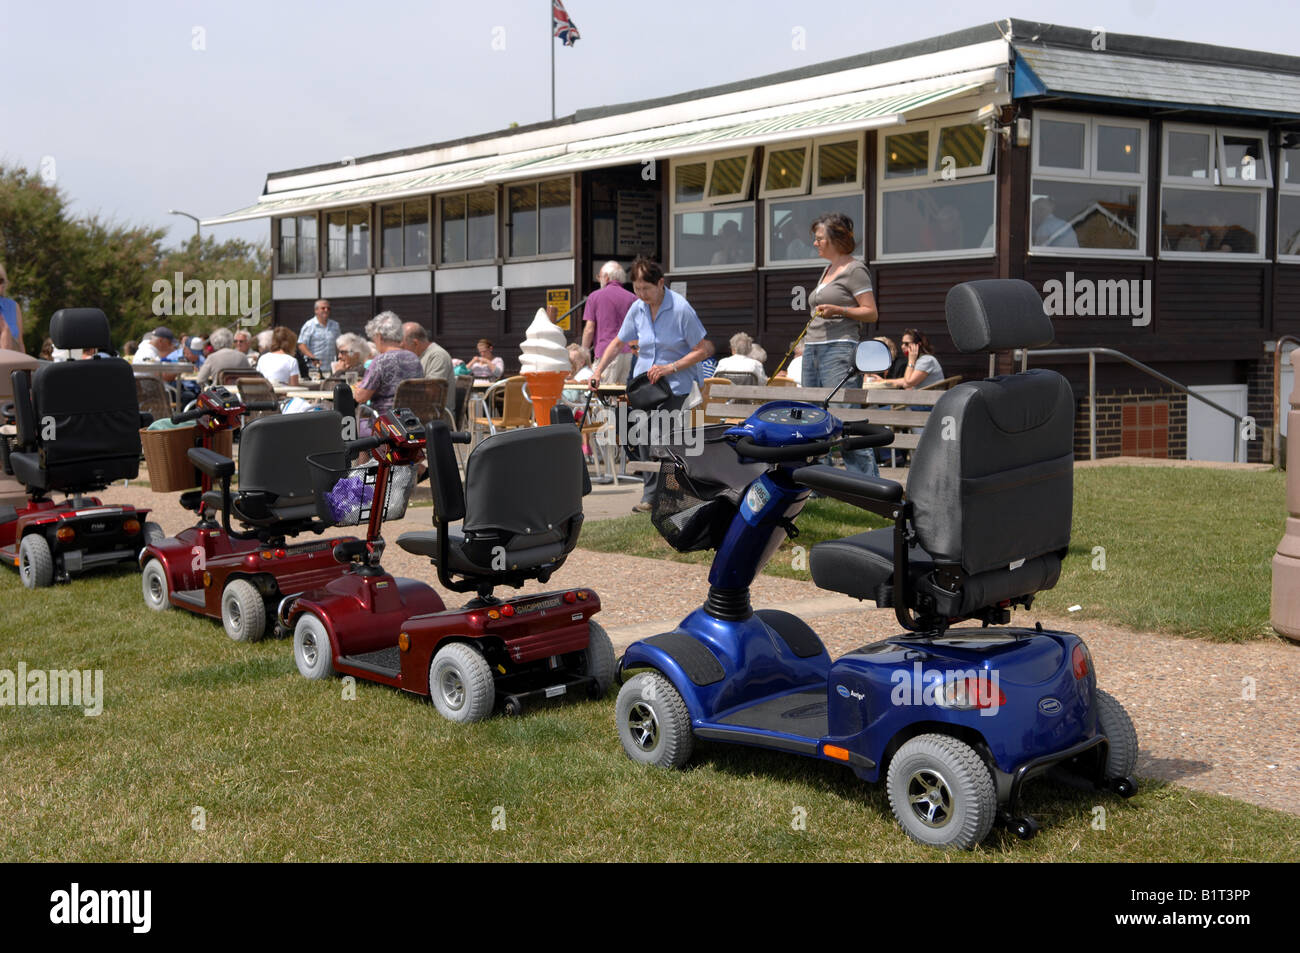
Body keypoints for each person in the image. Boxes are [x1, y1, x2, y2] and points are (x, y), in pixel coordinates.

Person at [590, 257, 711, 514]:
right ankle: (652, 495)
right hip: (646, 385)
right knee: (641, 436)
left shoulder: (681, 309)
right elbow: (617, 343)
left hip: (675, 383)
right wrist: (598, 370)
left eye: (646, 288)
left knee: (662, 436)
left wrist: (671, 367)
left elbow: (701, 350)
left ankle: (669, 493)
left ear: (661, 283)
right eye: (636, 289)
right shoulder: (637, 308)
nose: (641, 294)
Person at [803, 211, 880, 478]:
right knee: (813, 418)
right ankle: (820, 481)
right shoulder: (827, 269)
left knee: (845, 418)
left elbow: (871, 312)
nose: (815, 243)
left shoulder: (855, 269)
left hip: (839, 349)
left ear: (835, 239)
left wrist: (840, 310)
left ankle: (867, 485)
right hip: (813, 348)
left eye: (819, 238)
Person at [354, 311, 422, 417]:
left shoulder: (381, 361)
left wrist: (359, 387)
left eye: (374, 339)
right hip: (411, 419)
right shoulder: (414, 358)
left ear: (379, 337)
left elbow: (361, 397)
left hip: (385, 423)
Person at [582, 260, 637, 386]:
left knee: (604, 394)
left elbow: (589, 329)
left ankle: (608, 407)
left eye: (599, 276)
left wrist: (584, 352)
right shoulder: (633, 298)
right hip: (629, 354)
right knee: (622, 395)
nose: (598, 279)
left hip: (606, 354)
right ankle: (621, 407)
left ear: (606, 277)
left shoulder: (594, 297)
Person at [401, 321, 454, 411]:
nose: (401, 350)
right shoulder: (417, 356)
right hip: (420, 412)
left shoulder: (437, 355)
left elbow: (431, 391)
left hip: (436, 416)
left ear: (415, 343)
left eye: (403, 347)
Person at [298, 299, 340, 370]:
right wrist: (313, 358)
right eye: (323, 308)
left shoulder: (335, 325)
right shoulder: (309, 325)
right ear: (316, 310)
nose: (326, 310)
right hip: (314, 368)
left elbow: (338, 345)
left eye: (328, 308)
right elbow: (301, 345)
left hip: (331, 368)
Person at [0, 264, 24, 353]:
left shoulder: (13, 306)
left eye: (1, 280)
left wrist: (25, 366)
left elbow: (20, 343)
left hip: (12, 364)